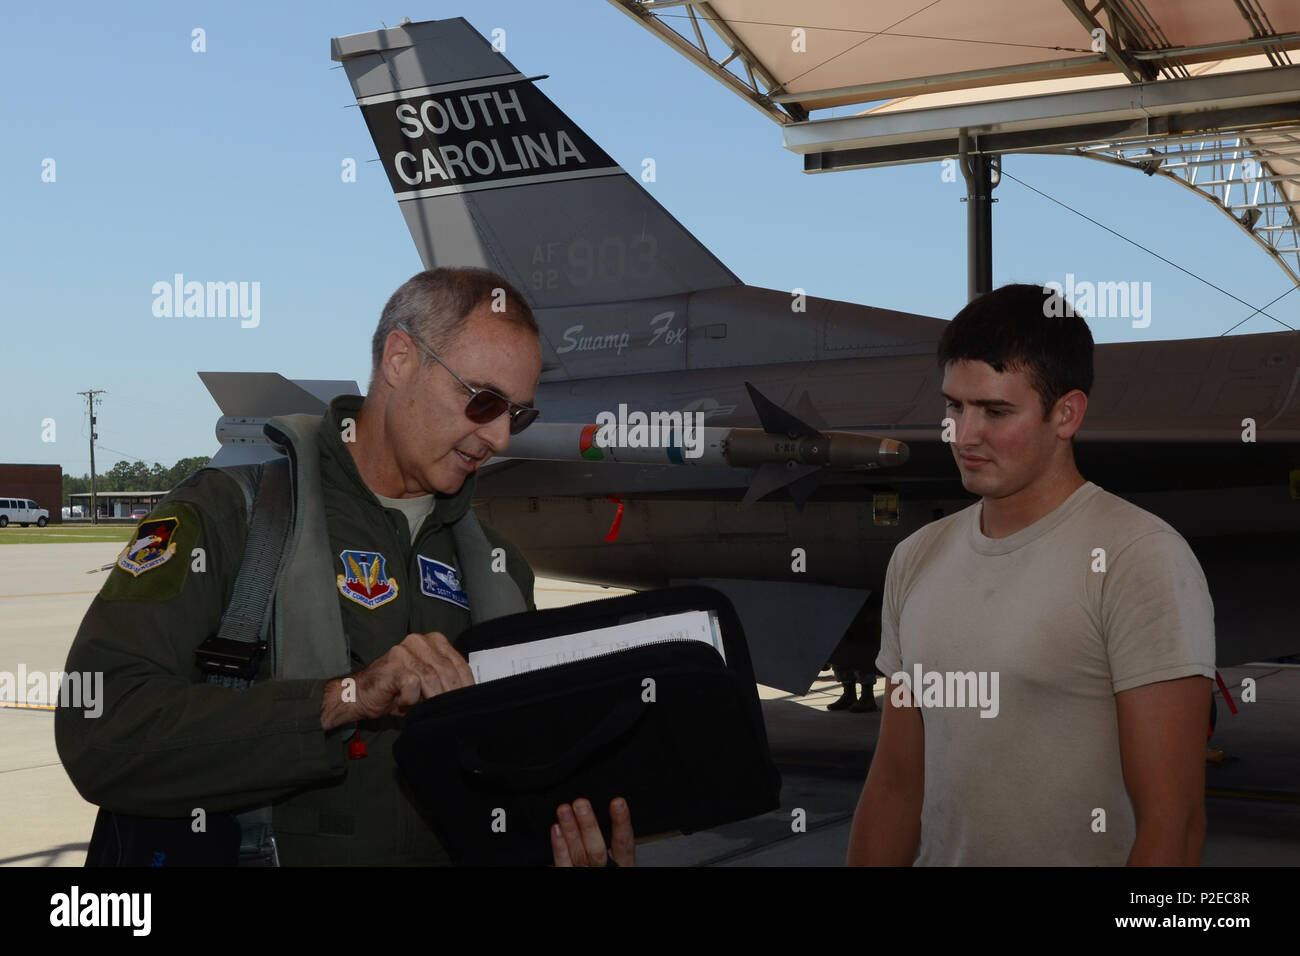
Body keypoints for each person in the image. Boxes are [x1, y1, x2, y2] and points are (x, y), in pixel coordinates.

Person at [57, 267, 631, 866]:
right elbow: (99, 732)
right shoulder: (232, 517)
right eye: (483, 400)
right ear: (401, 359)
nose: (499, 438)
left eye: (518, 415)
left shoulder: (497, 571)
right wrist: (342, 701)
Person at [846, 283, 1215, 866]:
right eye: (954, 406)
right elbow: (895, 786)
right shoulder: (916, 558)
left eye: (995, 411)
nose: (965, 436)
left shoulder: (1139, 558)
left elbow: (1175, 824)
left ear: (1066, 413)